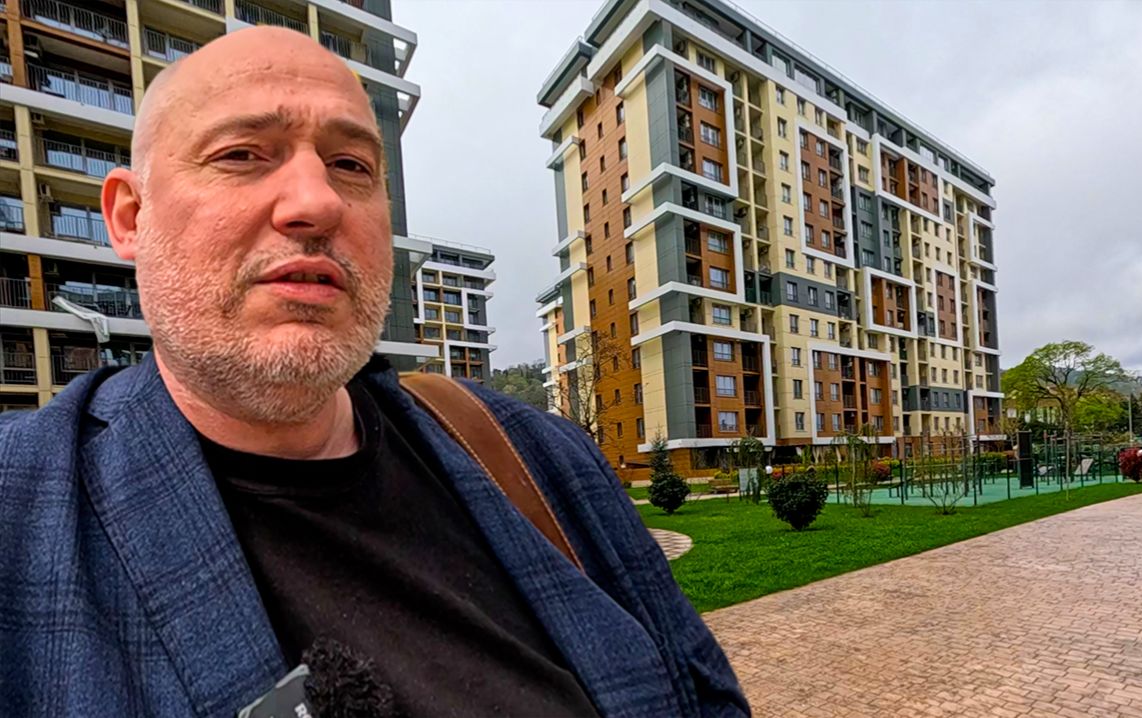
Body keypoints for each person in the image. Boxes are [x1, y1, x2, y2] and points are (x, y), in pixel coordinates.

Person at [0, 27, 747, 717]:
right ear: (129, 217)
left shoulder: (543, 459)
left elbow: (700, 698)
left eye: (350, 166)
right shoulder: (22, 509)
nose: (316, 202)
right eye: (242, 154)